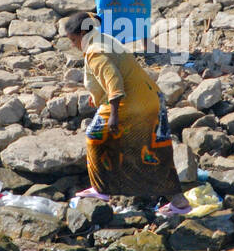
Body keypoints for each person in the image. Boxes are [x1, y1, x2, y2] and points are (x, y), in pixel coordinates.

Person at [61, 11, 192, 217]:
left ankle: (101, 189)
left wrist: (113, 115)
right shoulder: (103, 38)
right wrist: (97, 97)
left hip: (130, 104)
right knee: (153, 150)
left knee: (95, 138)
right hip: (150, 99)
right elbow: (115, 73)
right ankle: (179, 202)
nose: (73, 45)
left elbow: (114, 82)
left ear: (82, 34)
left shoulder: (96, 51)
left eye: (74, 40)